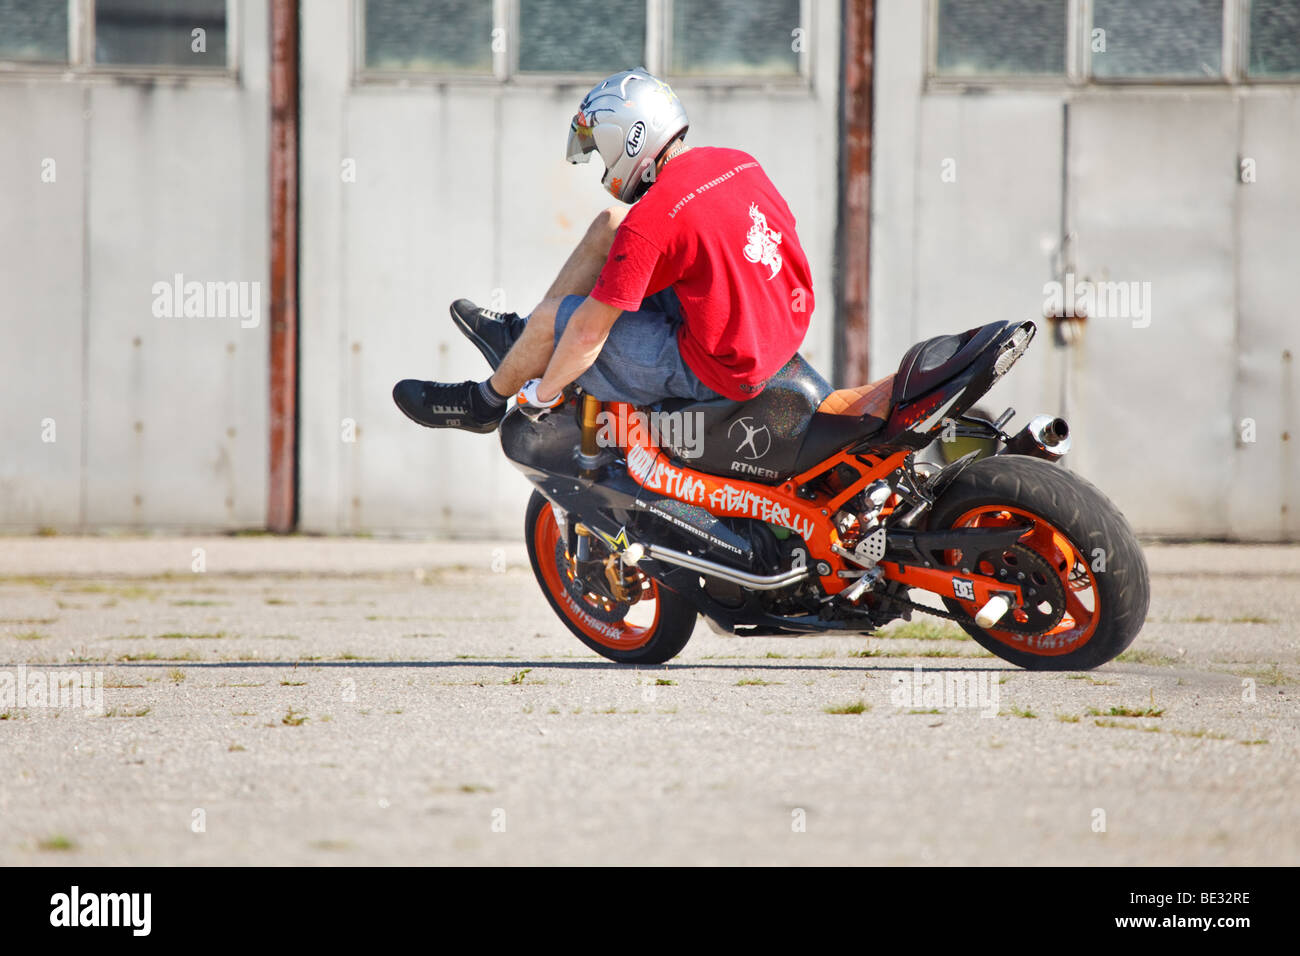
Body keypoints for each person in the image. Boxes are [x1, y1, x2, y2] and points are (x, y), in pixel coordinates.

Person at [392, 66, 814, 433]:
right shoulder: (735, 161)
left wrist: (541, 394)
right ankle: (520, 341)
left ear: (628, 139)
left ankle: (483, 403)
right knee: (612, 224)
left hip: (725, 370)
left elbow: (589, 332)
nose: (601, 162)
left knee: (554, 321)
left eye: (599, 149)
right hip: (773, 328)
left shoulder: (655, 216)